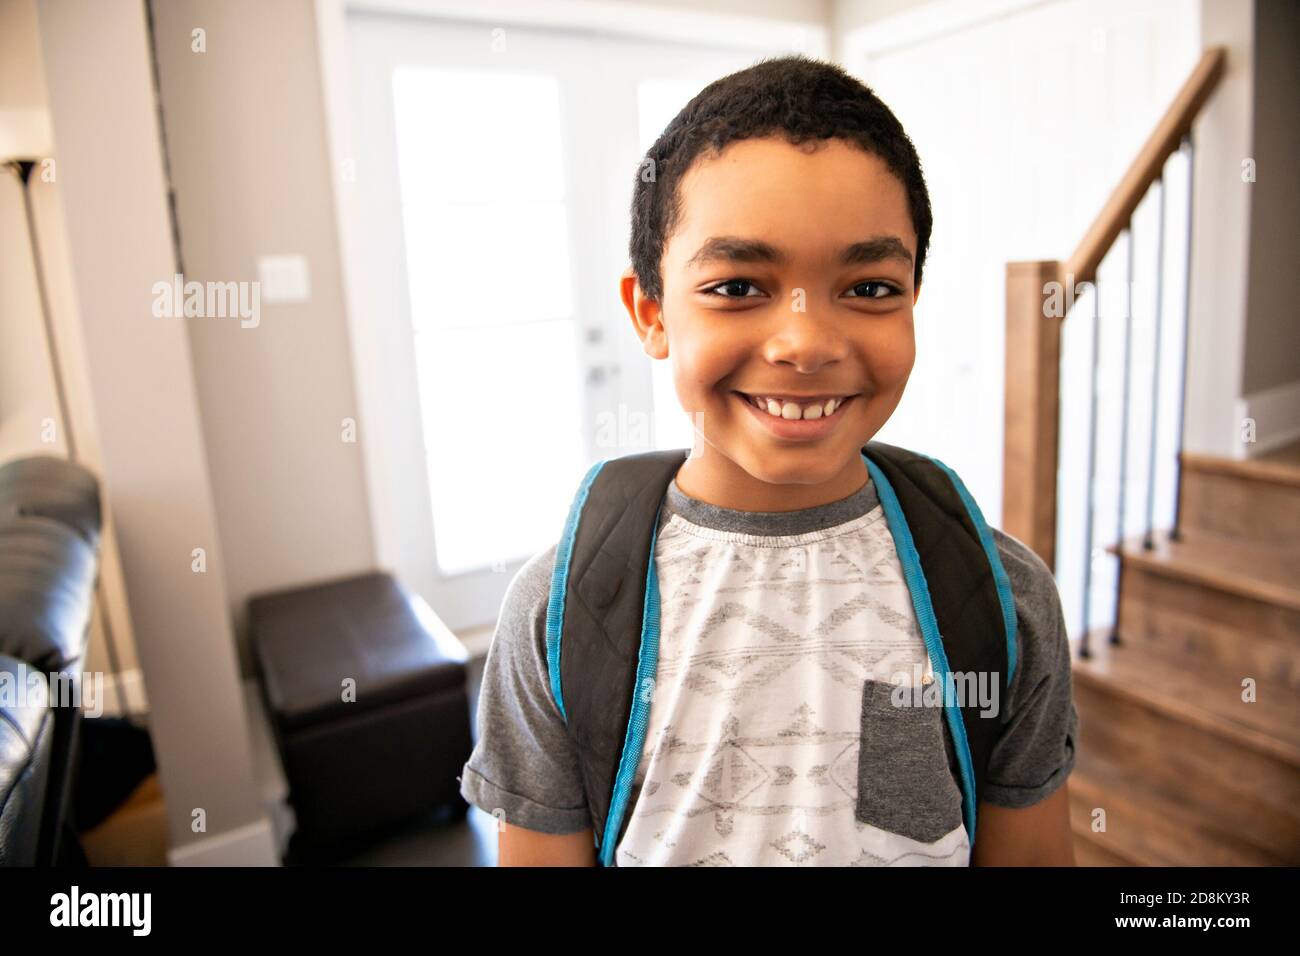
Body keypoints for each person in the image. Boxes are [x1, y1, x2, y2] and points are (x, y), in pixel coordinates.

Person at [459, 54, 1078, 866]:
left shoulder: (1002, 599)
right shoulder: (559, 616)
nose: (806, 344)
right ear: (651, 313)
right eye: (738, 286)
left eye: (869, 288)